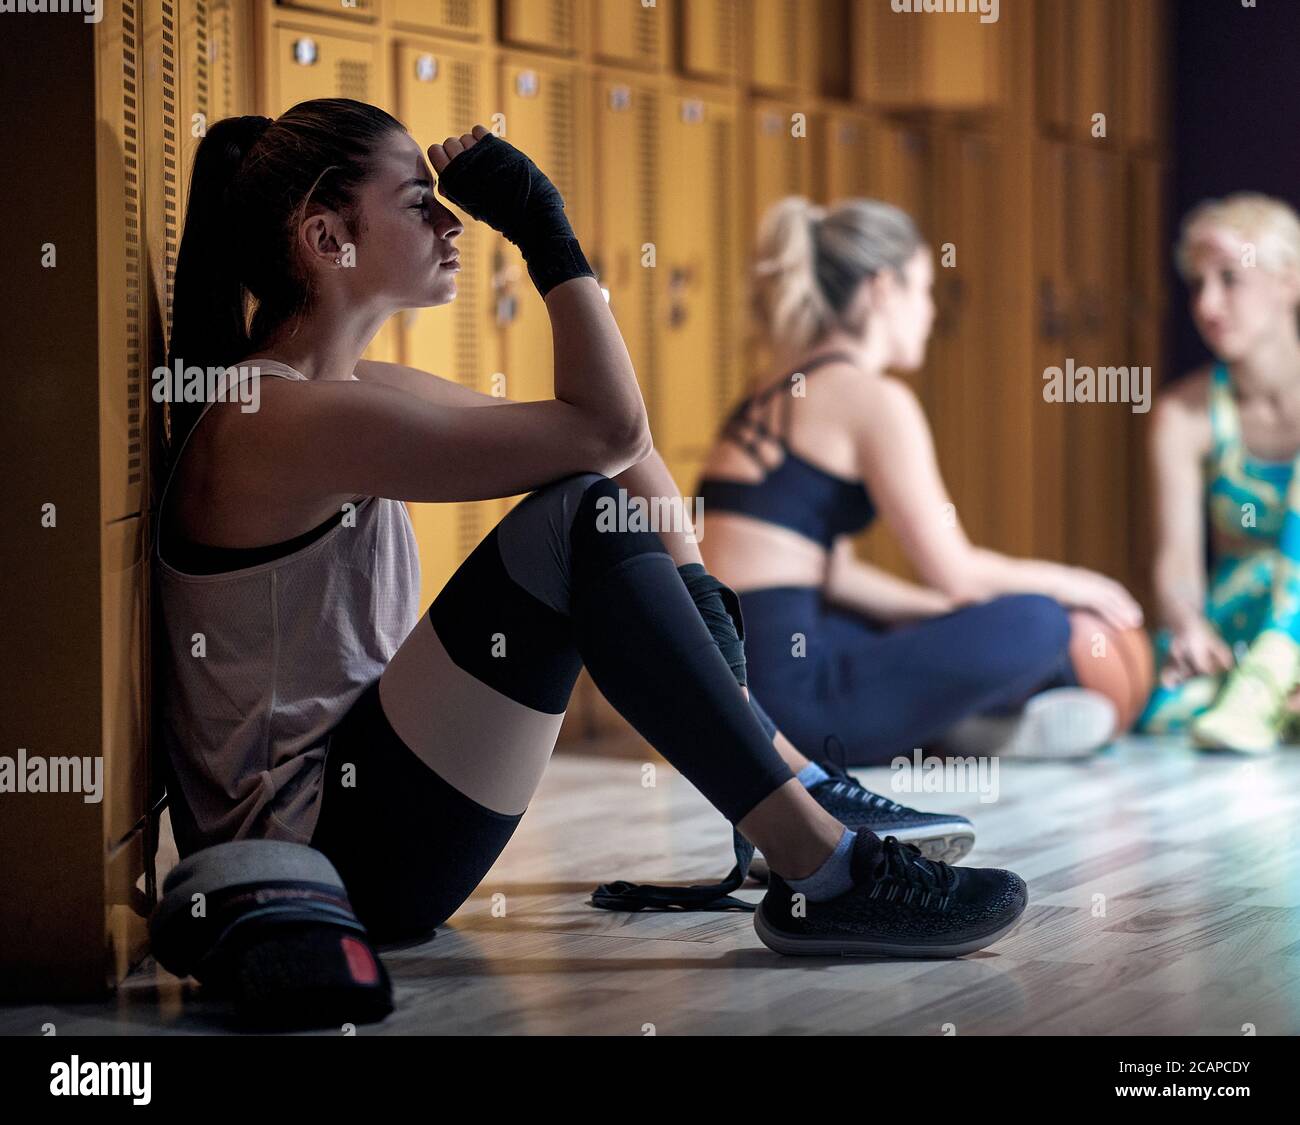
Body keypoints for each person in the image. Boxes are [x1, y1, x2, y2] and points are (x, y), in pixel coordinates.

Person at [153, 98, 1024, 959]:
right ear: (323, 238)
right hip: (318, 869)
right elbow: (604, 432)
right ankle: (827, 866)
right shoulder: (274, 418)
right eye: (421, 203)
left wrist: (704, 619)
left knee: (584, 500)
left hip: (375, 827)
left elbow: (619, 445)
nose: (453, 222)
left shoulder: (345, 397)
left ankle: (796, 809)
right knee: (575, 517)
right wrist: (543, 233)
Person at [697, 196, 1144, 766]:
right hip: (794, 711)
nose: (932, 312)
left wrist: (941, 621)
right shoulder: (873, 399)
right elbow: (956, 572)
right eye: (926, 289)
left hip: (732, 699)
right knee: (1040, 621)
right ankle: (969, 732)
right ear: (884, 288)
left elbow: (835, 574)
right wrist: (1071, 583)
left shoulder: (773, 389)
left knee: (893, 623)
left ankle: (959, 729)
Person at [1140, 193, 1300, 752]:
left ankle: (1274, 677)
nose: (1208, 305)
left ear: (1290, 281)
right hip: (1240, 623)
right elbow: (1178, 563)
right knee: (1169, 702)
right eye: (1198, 284)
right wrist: (1187, 623)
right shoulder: (1184, 416)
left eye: (1230, 278)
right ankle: (1267, 684)